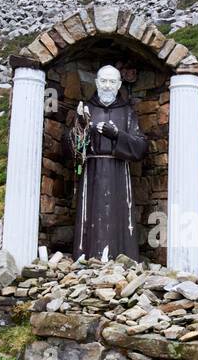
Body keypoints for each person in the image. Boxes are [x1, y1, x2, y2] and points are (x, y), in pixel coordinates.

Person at [62, 64, 148, 260]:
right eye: (103, 81)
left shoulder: (127, 112)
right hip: (91, 171)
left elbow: (142, 147)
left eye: (112, 81)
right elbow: (68, 147)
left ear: (119, 85)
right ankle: (88, 256)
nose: (107, 85)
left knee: (119, 215)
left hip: (118, 170)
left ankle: (122, 258)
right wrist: (84, 129)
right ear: (96, 83)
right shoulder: (85, 109)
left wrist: (117, 135)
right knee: (91, 214)